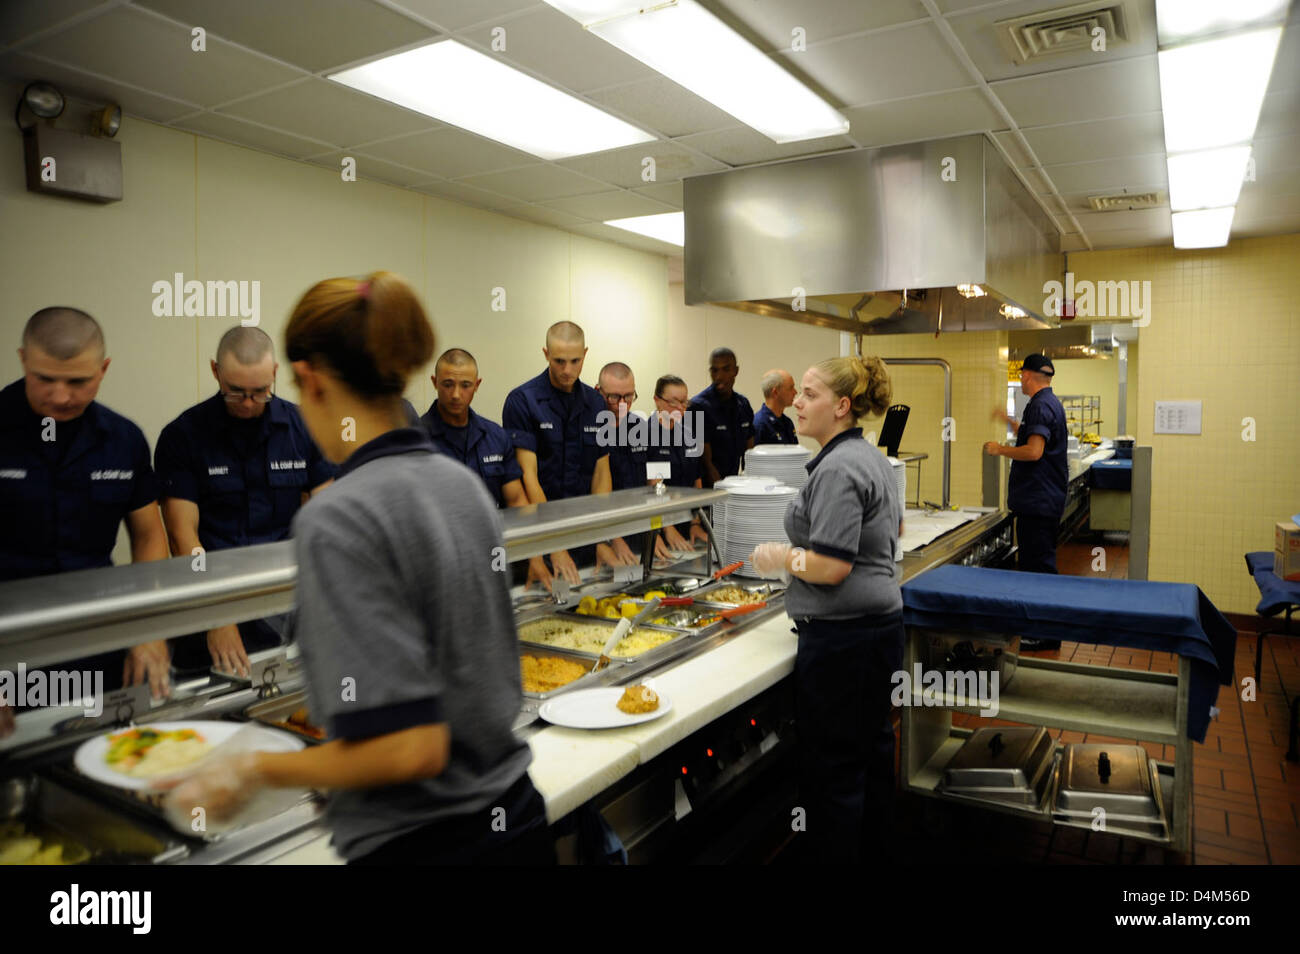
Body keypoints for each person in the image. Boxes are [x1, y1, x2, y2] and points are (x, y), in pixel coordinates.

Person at [163, 271, 554, 865]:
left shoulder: (339, 516)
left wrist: (250, 769)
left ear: (311, 380)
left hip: (426, 845)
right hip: (514, 817)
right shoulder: (464, 486)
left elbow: (409, 750)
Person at [750, 356, 903, 865]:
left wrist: (781, 558)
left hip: (845, 643)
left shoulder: (839, 466)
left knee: (834, 776)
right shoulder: (866, 456)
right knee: (871, 762)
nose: (796, 401)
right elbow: (892, 533)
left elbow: (834, 566)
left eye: (809, 394)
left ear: (841, 407)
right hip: (873, 635)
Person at [0, 307, 172, 699]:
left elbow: (148, 536)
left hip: (97, 640)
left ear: (103, 369)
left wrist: (147, 629)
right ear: (23, 360)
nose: (61, 396)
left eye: (78, 381)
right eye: (44, 379)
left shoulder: (124, 440)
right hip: (9, 643)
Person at [155, 327, 336, 676]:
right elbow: (183, 538)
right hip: (210, 605)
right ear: (215, 372)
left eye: (259, 392)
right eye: (236, 392)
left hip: (287, 607)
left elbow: (328, 522)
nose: (249, 403)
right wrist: (216, 618)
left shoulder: (305, 428)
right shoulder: (184, 436)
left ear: (274, 375)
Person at [502, 321, 624, 585]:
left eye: (574, 361)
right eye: (558, 361)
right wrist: (553, 543)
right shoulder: (522, 401)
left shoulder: (595, 403)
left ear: (585, 355)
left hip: (583, 536)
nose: (567, 370)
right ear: (545, 354)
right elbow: (528, 477)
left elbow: (601, 472)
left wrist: (599, 538)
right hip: (539, 539)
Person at [421, 348, 554, 587]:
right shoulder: (416, 440)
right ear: (434, 382)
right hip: (438, 565)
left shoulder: (495, 436)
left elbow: (516, 503)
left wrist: (535, 555)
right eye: (448, 384)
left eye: (465, 385)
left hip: (491, 559)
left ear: (477, 384)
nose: (456, 395)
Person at [985, 353, 1068, 650]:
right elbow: (1032, 436)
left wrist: (1000, 450)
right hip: (1041, 500)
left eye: (1021, 375)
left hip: (1038, 501)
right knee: (1038, 565)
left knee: (1039, 569)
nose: (1020, 379)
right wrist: (1008, 421)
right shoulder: (1047, 403)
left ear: (1030, 376)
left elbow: (1033, 452)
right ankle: (1043, 628)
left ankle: (1045, 633)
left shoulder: (1041, 405)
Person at [647, 375, 709, 561]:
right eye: (673, 403)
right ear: (657, 401)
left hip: (686, 522)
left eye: (684, 402)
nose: (680, 409)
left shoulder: (688, 434)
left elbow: (696, 481)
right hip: (657, 526)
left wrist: (696, 522)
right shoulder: (647, 435)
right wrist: (665, 529)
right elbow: (654, 489)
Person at [690, 347, 754, 487]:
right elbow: (705, 460)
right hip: (709, 487)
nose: (719, 376)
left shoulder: (743, 404)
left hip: (735, 482)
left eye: (726, 369)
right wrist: (720, 488)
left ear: (736, 371)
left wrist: (751, 479)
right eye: (714, 370)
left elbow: (749, 447)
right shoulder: (698, 406)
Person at [753, 369, 798, 445]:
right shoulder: (759, 425)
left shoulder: (787, 422)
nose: (795, 392)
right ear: (775, 392)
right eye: (791, 388)